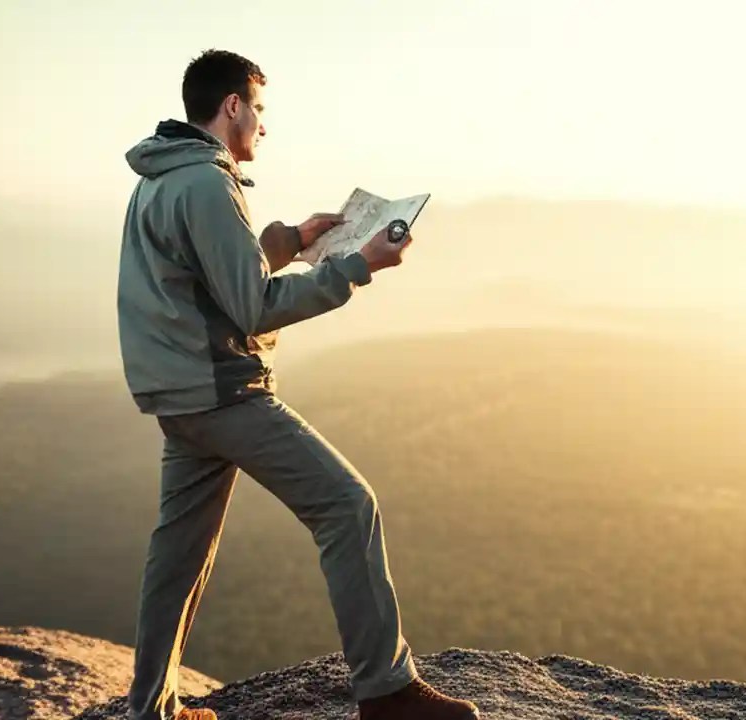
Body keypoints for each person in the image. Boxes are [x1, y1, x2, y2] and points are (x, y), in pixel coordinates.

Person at [116, 49, 480, 720]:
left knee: (178, 556)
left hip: (179, 393)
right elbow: (252, 305)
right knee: (347, 505)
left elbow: (202, 272)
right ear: (232, 107)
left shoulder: (161, 176)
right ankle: (388, 692)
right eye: (259, 109)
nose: (262, 125)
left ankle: (150, 711)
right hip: (223, 389)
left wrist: (288, 238)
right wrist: (359, 266)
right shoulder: (204, 181)